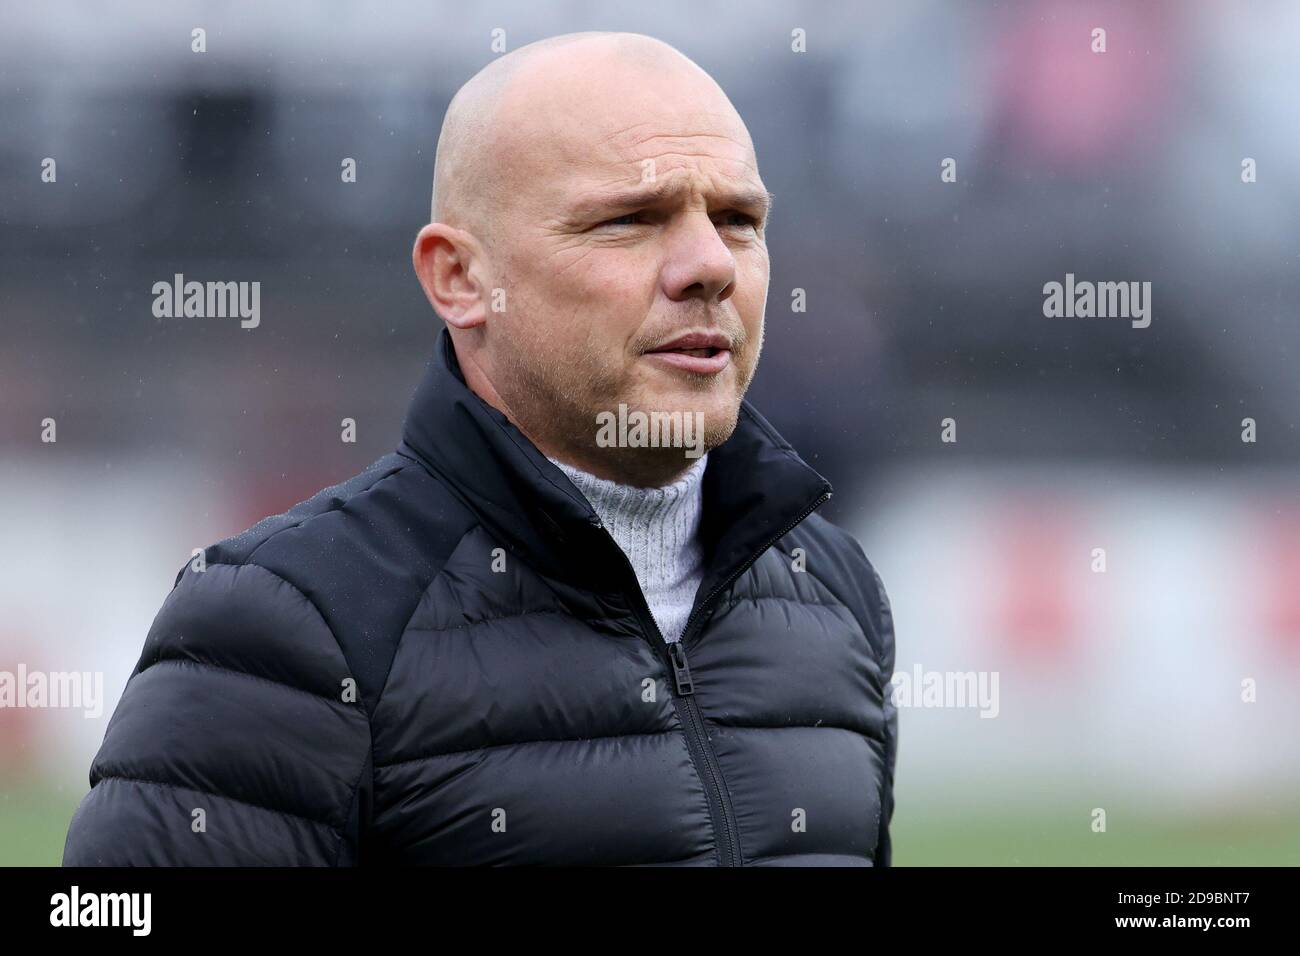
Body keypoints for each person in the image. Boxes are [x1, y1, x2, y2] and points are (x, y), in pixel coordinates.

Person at [63, 31, 897, 866]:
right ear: (459, 280)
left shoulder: (832, 595)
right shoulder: (287, 623)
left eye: (738, 221)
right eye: (630, 220)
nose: (710, 265)